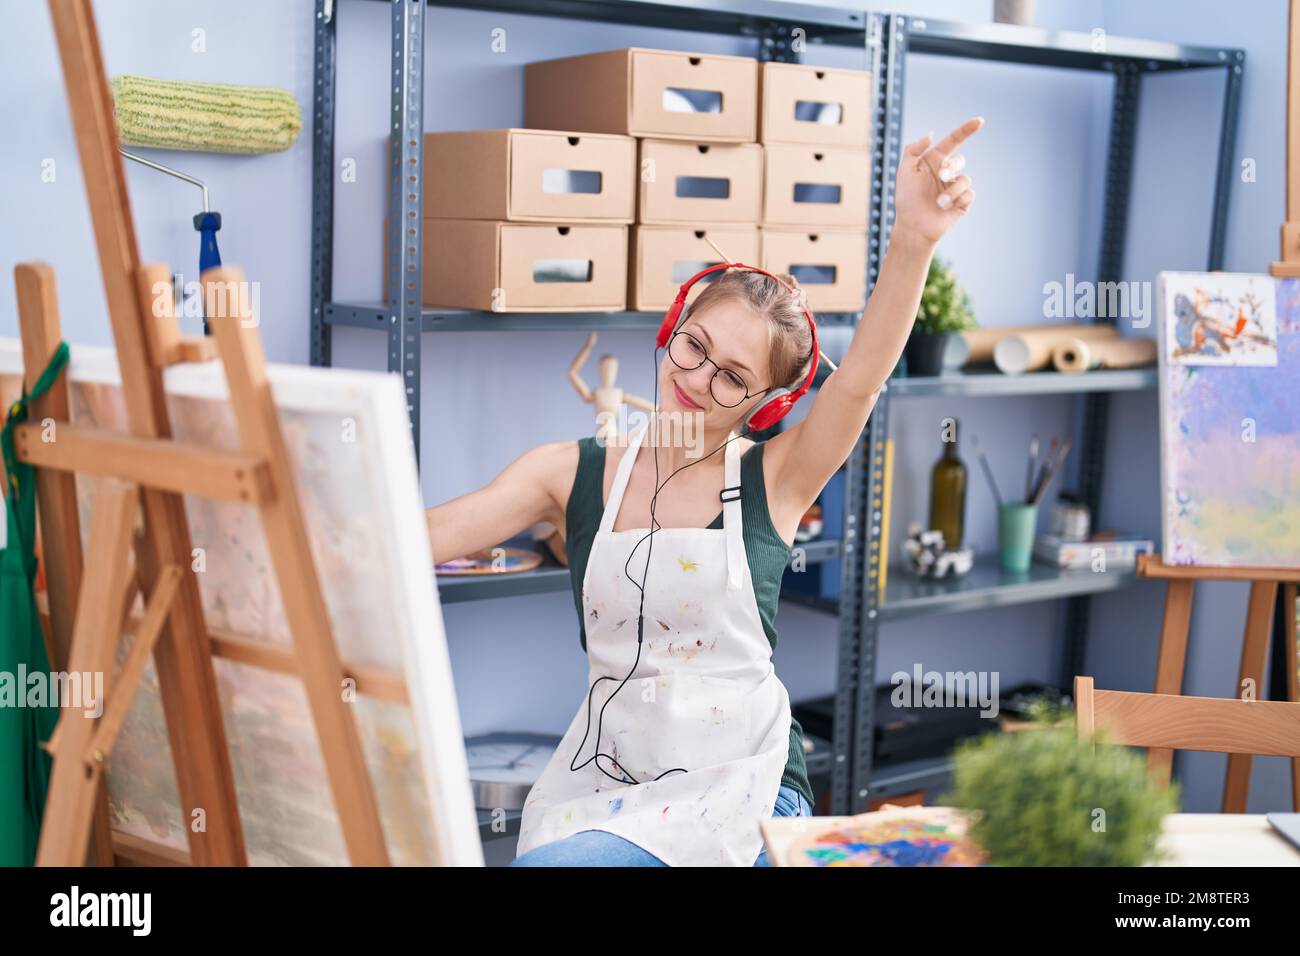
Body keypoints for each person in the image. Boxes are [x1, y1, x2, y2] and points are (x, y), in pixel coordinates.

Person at [426, 119, 983, 866]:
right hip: (606, 780)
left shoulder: (775, 478)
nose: (696, 380)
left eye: (732, 377)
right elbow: (415, 537)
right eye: (695, 346)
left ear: (764, 405)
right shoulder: (568, 472)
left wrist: (915, 239)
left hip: (743, 785)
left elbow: (859, 384)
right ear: (673, 326)